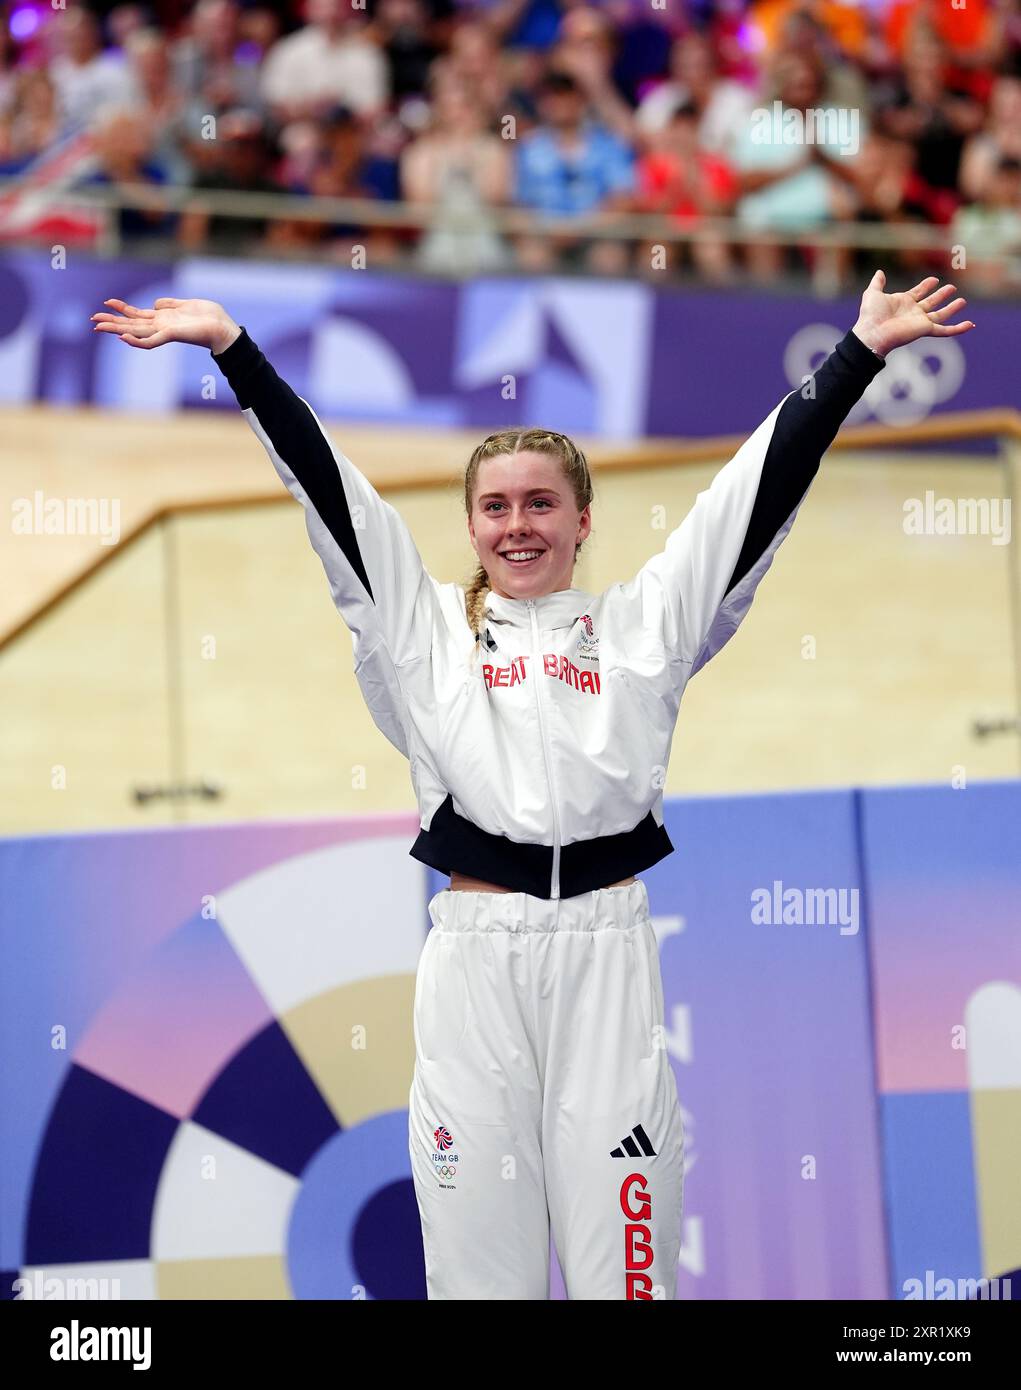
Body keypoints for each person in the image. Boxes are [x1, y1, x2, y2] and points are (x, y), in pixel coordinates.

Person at [89, 274, 974, 1300]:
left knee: (628, 1285)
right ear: (469, 526)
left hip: (610, 963)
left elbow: (747, 498)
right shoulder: (423, 639)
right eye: (496, 507)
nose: (519, 525)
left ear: (583, 520)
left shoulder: (645, 629)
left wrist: (856, 354)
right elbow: (333, 496)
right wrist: (234, 349)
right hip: (474, 975)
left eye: (541, 504)